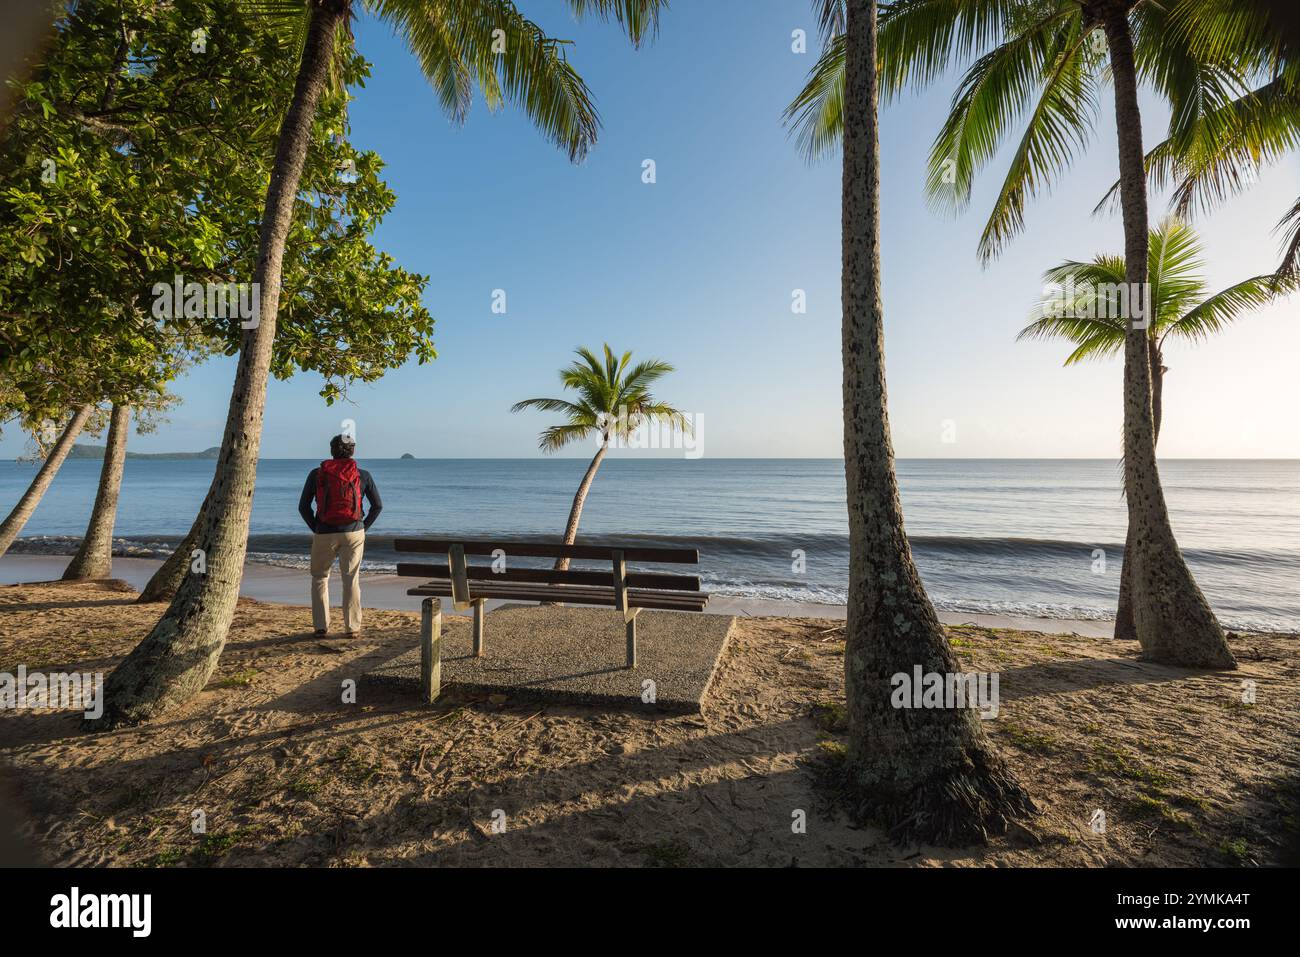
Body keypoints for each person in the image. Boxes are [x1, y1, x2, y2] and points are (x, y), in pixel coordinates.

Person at [298, 434, 382, 637]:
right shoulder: (363, 475)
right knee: (351, 579)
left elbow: (303, 507)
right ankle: (352, 628)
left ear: (332, 451)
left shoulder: (316, 474)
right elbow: (377, 506)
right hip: (353, 532)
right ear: (352, 451)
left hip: (324, 532)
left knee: (319, 578)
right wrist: (362, 528)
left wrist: (317, 528)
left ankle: (321, 627)